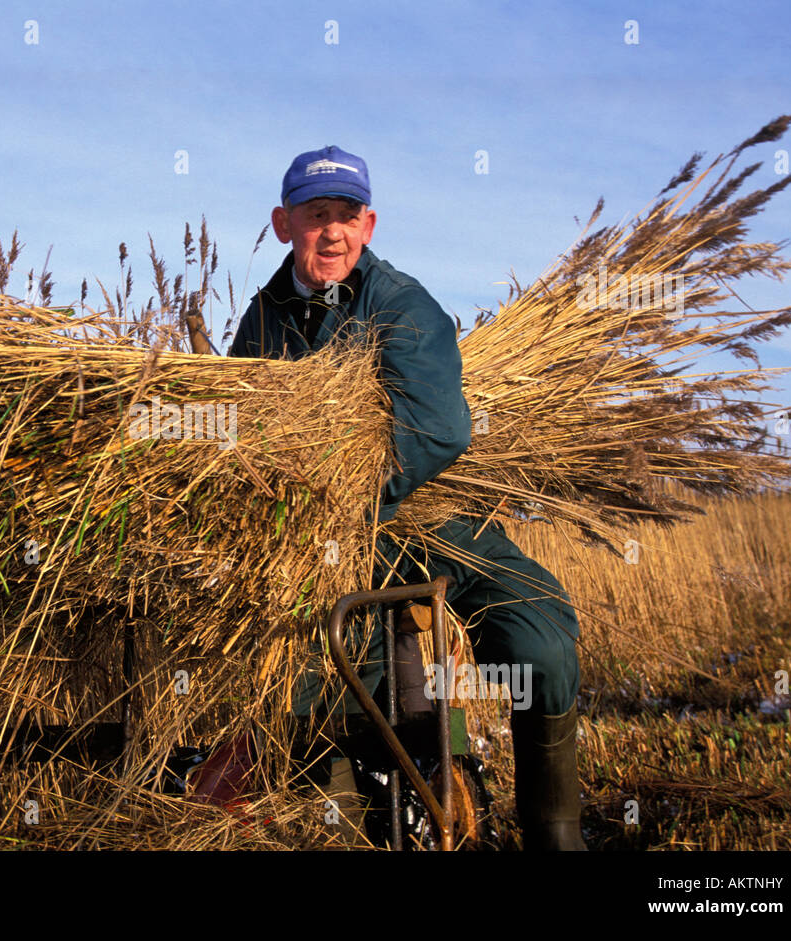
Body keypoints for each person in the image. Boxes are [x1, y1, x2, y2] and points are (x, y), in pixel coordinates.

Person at [225, 145, 587, 851]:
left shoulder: (400, 302)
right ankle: (350, 814)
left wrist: (349, 504)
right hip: (319, 541)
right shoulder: (263, 320)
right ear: (282, 222)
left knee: (539, 638)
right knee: (313, 672)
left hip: (431, 513)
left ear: (370, 225)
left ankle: (556, 830)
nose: (332, 231)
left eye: (347, 216)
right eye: (315, 213)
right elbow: (243, 428)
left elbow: (439, 430)